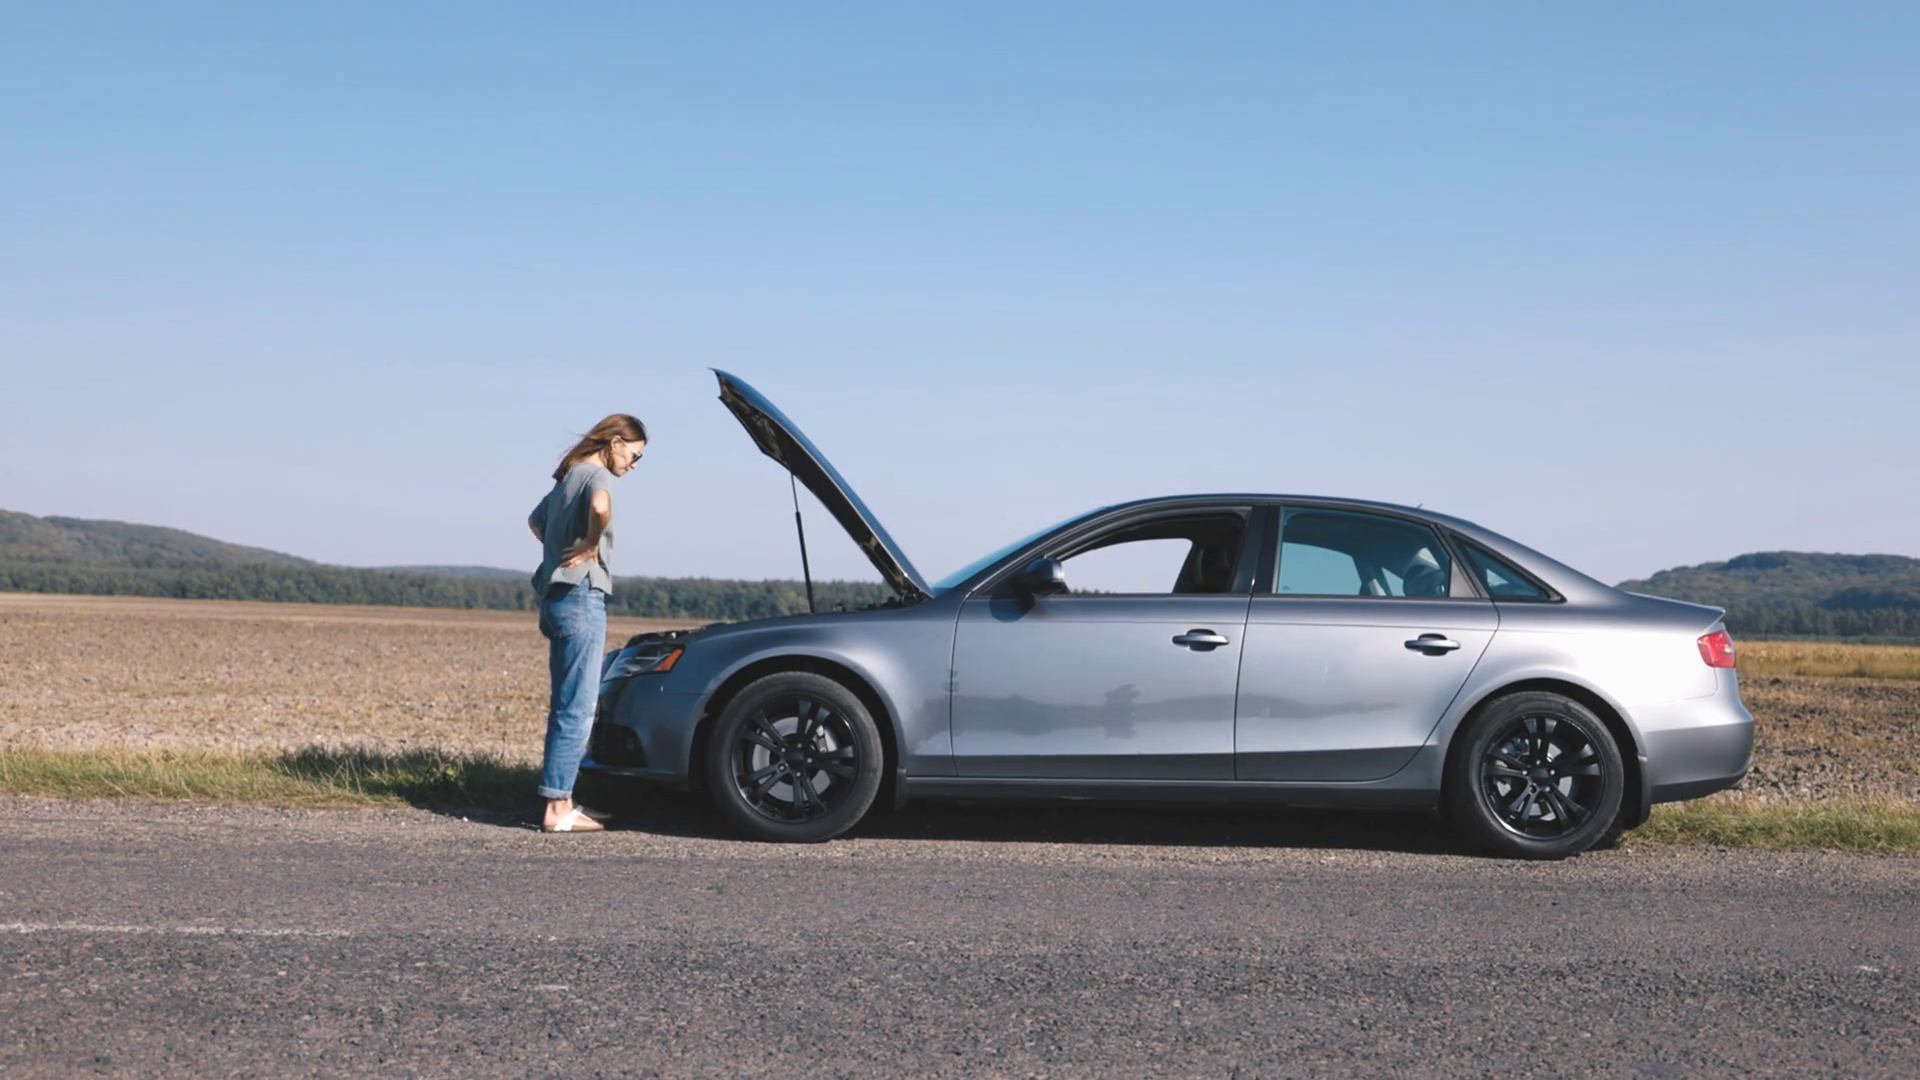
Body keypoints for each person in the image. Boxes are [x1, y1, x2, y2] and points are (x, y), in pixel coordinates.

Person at [527, 413, 647, 833]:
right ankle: (557, 808)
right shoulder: (596, 475)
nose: (632, 466)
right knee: (577, 708)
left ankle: (561, 799)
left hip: (555, 599)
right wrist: (590, 544)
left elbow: (535, 521)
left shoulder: (567, 478)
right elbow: (601, 507)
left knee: (565, 704)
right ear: (614, 442)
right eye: (633, 455)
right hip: (581, 597)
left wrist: (559, 546)